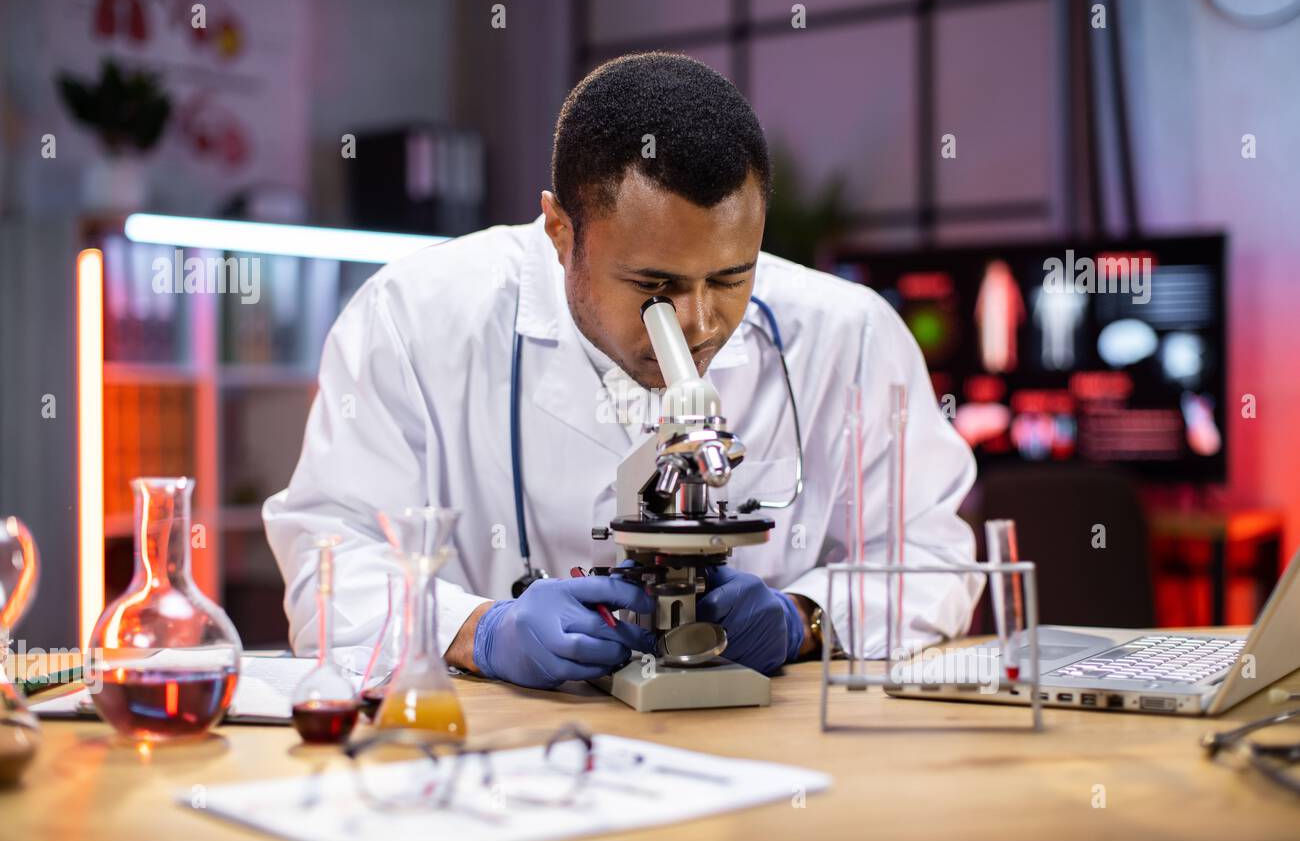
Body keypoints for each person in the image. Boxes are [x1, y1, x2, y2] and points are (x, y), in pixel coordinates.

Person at [264, 52, 982, 691]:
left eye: (732, 278)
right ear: (560, 231)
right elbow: (331, 563)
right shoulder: (414, 316)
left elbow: (932, 554)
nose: (700, 323)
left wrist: (803, 619)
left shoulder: (848, 334)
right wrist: (479, 631)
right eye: (656, 288)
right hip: (498, 765)